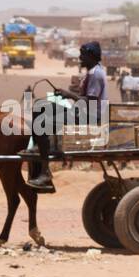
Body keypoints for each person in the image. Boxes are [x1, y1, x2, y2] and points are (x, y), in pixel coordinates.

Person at [27, 41, 108, 193]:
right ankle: (39, 145)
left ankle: (45, 173)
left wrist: (68, 94)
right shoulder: (92, 72)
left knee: (44, 123)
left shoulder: (96, 74)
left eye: (83, 55)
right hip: (82, 111)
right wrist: (69, 94)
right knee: (39, 106)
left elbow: (91, 102)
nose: (80, 58)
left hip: (89, 117)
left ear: (91, 56)